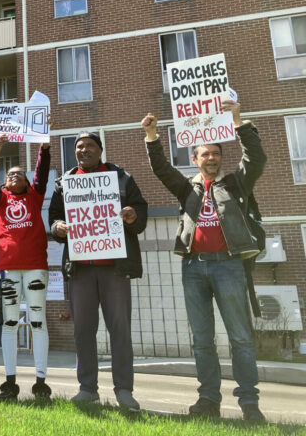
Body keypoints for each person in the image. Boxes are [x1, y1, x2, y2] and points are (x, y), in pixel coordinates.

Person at [141, 101, 266, 423]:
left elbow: (256, 158)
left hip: (229, 266)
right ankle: (208, 399)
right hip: (194, 268)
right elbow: (161, 169)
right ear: (194, 159)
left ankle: (249, 404)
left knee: (240, 337)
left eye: (216, 154)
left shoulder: (236, 184)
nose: (211, 158)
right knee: (201, 340)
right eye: (204, 154)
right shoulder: (187, 189)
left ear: (221, 158)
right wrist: (153, 136)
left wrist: (238, 120)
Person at [48, 131, 147, 411]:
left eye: (89, 145)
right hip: (81, 270)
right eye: (79, 147)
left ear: (100, 150)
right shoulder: (64, 183)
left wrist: (132, 215)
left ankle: (124, 390)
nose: (83, 150)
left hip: (115, 269)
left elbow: (140, 212)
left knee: (120, 330)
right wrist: (58, 228)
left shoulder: (122, 178)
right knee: (82, 331)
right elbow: (53, 218)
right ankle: (87, 388)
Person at [0, 134, 52, 400]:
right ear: (5, 182)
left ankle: (40, 382)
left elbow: (42, 173)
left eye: (20, 174)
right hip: (9, 269)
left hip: (36, 267)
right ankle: (10, 382)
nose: (15, 176)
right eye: (10, 174)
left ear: (27, 181)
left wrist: (44, 145)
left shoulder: (35, 197)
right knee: (10, 323)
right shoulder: (0, 200)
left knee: (38, 321)